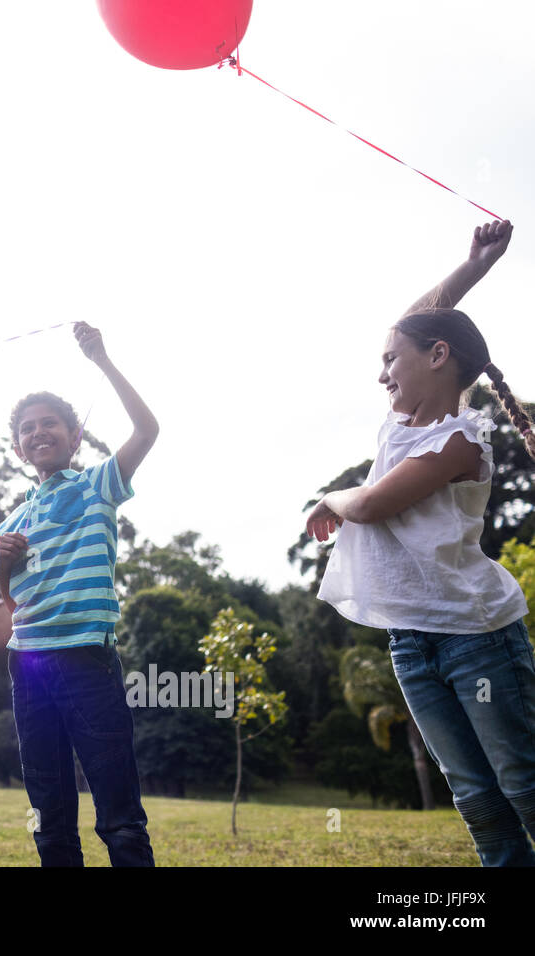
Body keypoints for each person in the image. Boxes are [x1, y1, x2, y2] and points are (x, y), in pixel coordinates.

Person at [309, 219, 535, 866]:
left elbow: (375, 505)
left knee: (523, 785)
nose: (382, 375)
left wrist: (331, 499)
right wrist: (472, 266)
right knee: (478, 801)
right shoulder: (403, 423)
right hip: (412, 642)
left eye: (391, 360)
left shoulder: (461, 439)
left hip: (478, 638)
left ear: (438, 357)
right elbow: (413, 319)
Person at [0, 321, 159, 867]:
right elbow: (12, 605)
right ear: (18, 448)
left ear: (74, 436)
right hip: (28, 666)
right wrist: (1, 566)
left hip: (89, 659)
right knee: (49, 816)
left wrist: (103, 361)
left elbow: (147, 429)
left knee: (119, 817)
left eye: (50, 424)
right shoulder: (11, 523)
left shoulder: (97, 486)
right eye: (28, 428)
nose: (39, 433)